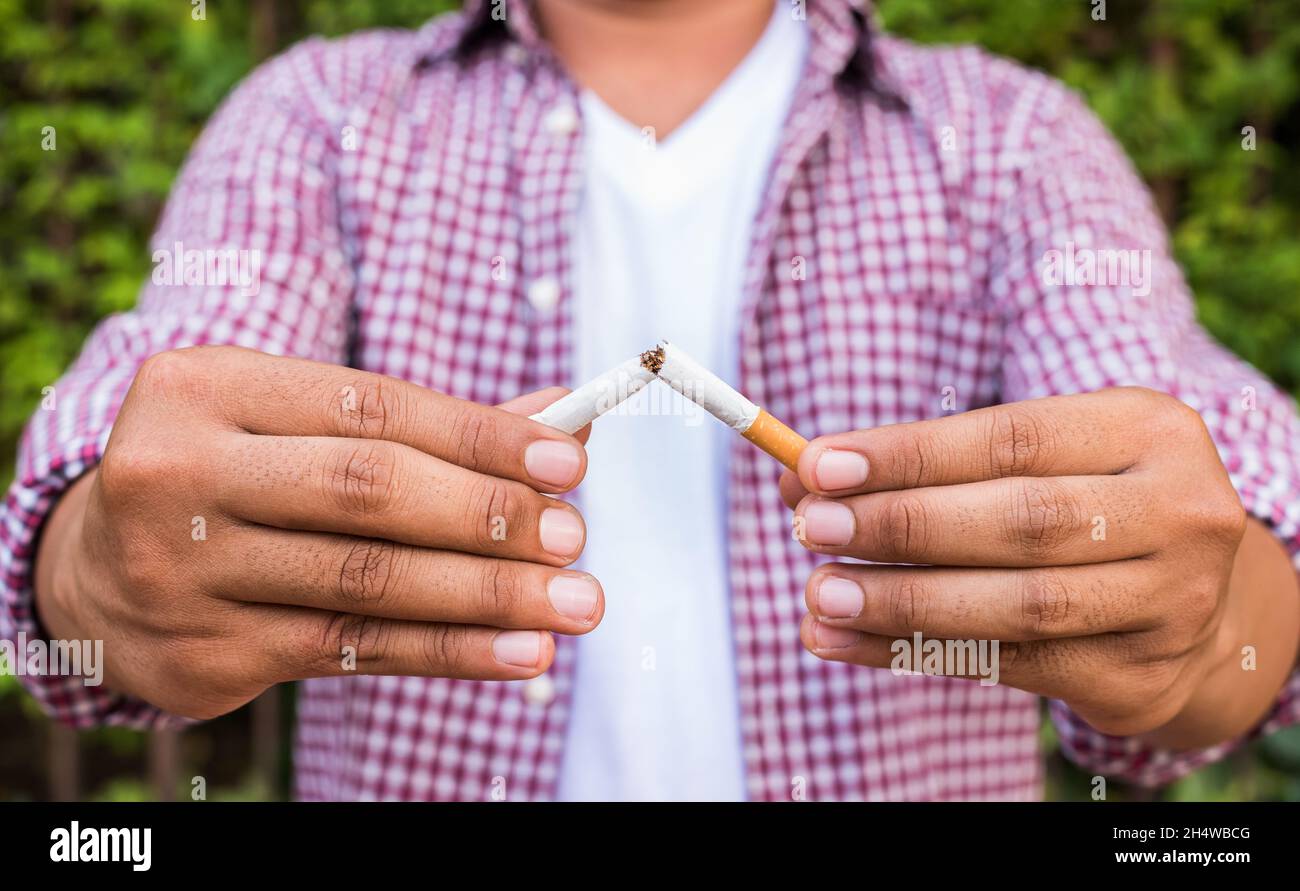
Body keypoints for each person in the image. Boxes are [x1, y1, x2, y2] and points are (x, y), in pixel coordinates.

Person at [4, 0, 1298, 801]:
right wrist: (103, 572)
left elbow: (1215, 590)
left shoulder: (1010, 141)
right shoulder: (324, 119)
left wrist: (1196, 609)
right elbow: (129, 496)